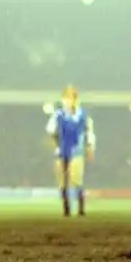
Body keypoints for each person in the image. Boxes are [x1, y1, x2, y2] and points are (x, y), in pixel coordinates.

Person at [47, 85, 95, 216]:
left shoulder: (82, 115)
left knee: (76, 179)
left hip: (76, 150)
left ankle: (81, 207)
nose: (68, 101)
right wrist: (57, 142)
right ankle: (66, 207)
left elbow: (89, 131)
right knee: (62, 180)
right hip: (62, 150)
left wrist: (90, 146)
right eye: (66, 98)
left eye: (70, 98)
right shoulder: (58, 114)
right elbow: (50, 130)